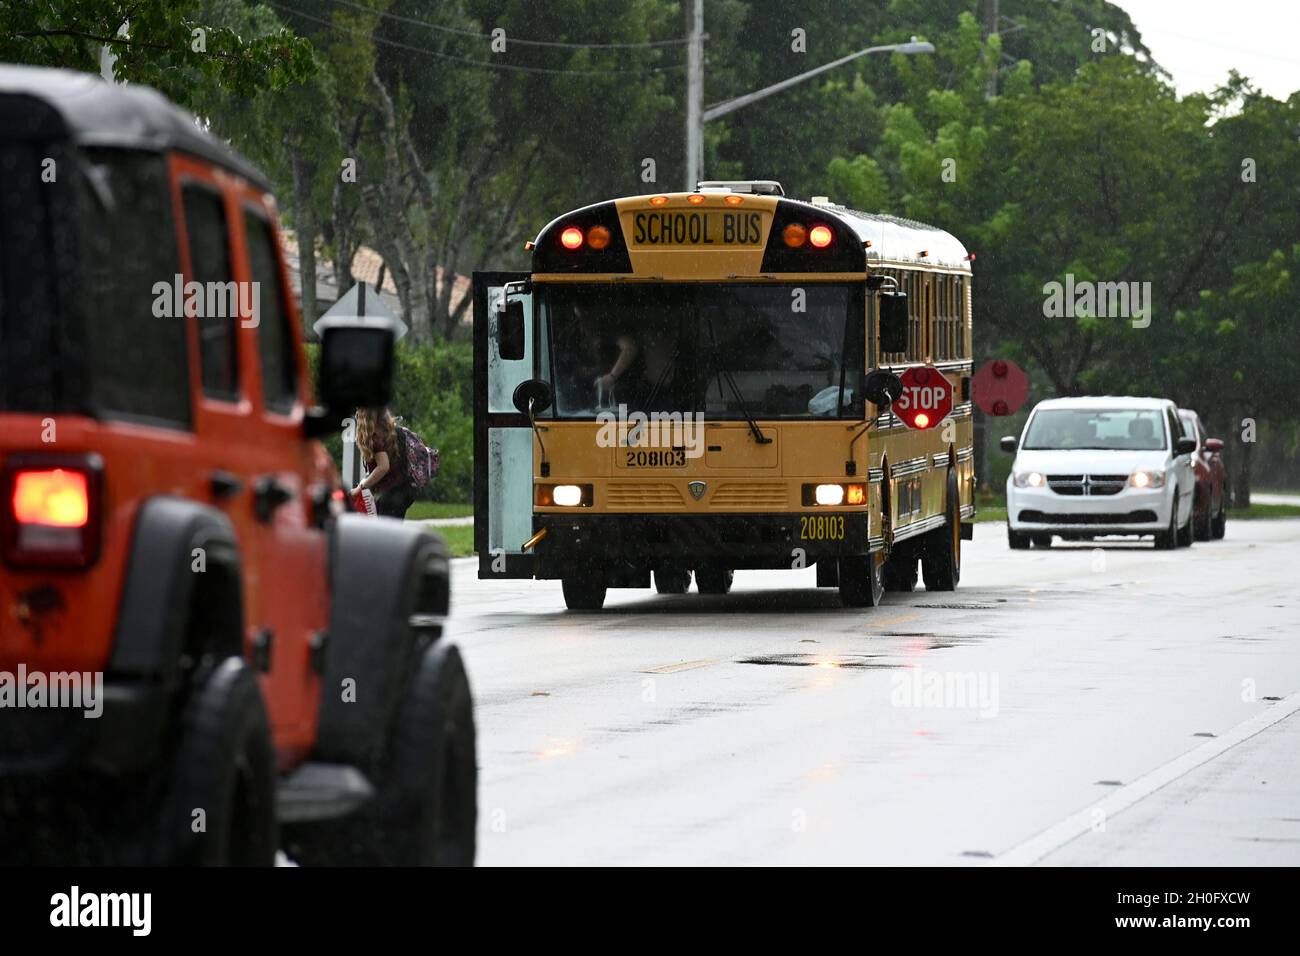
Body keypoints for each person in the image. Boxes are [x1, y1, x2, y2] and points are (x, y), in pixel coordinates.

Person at [353, 407, 413, 518]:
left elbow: (383, 467)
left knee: (386, 532)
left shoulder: (374, 439)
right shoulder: (391, 431)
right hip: (404, 489)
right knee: (391, 530)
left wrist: (360, 488)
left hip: (392, 494)